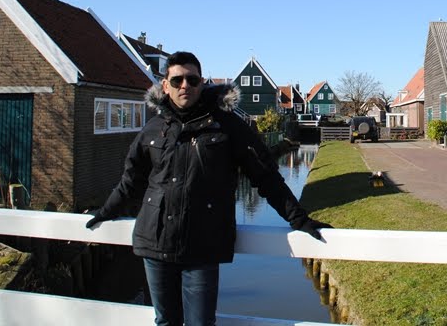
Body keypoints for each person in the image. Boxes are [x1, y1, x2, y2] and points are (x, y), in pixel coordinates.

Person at [86, 51, 331, 326]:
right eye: (177, 80)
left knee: (200, 324)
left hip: (202, 244)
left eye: (191, 79)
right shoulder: (153, 129)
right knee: (165, 321)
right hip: (155, 241)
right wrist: (105, 212)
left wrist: (298, 218)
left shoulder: (227, 127)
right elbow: (132, 181)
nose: (184, 86)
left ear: (201, 83)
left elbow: (265, 176)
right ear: (165, 85)